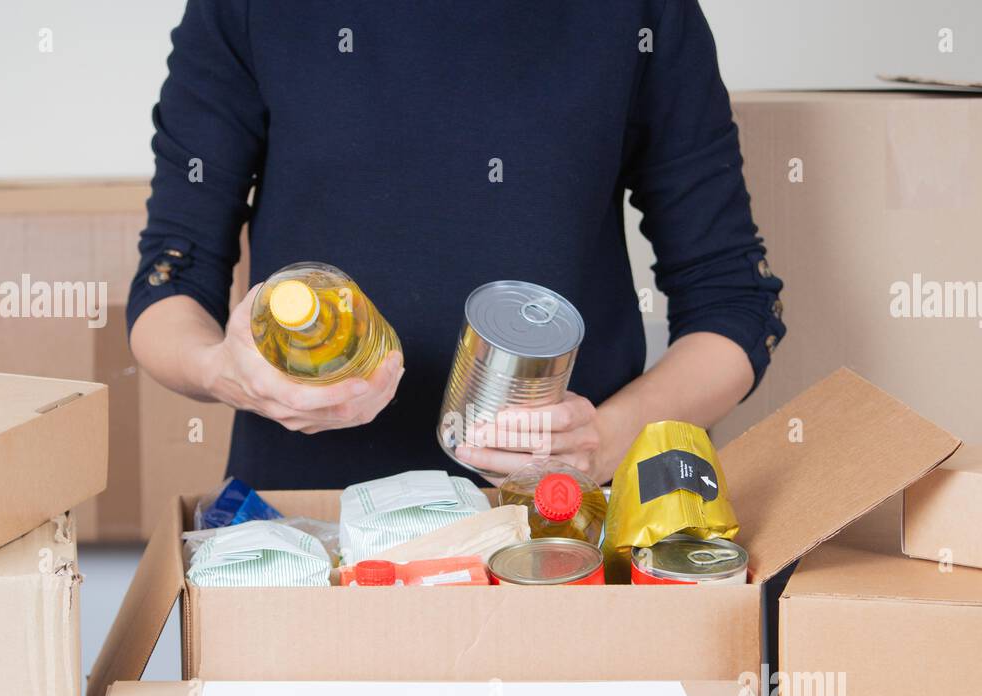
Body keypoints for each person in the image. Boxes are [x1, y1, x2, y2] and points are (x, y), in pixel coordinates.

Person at [127, 0, 784, 488]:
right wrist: (223, 370)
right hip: (307, 539)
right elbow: (170, 280)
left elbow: (734, 303)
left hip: (556, 533)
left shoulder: (639, 14)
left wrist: (605, 442)